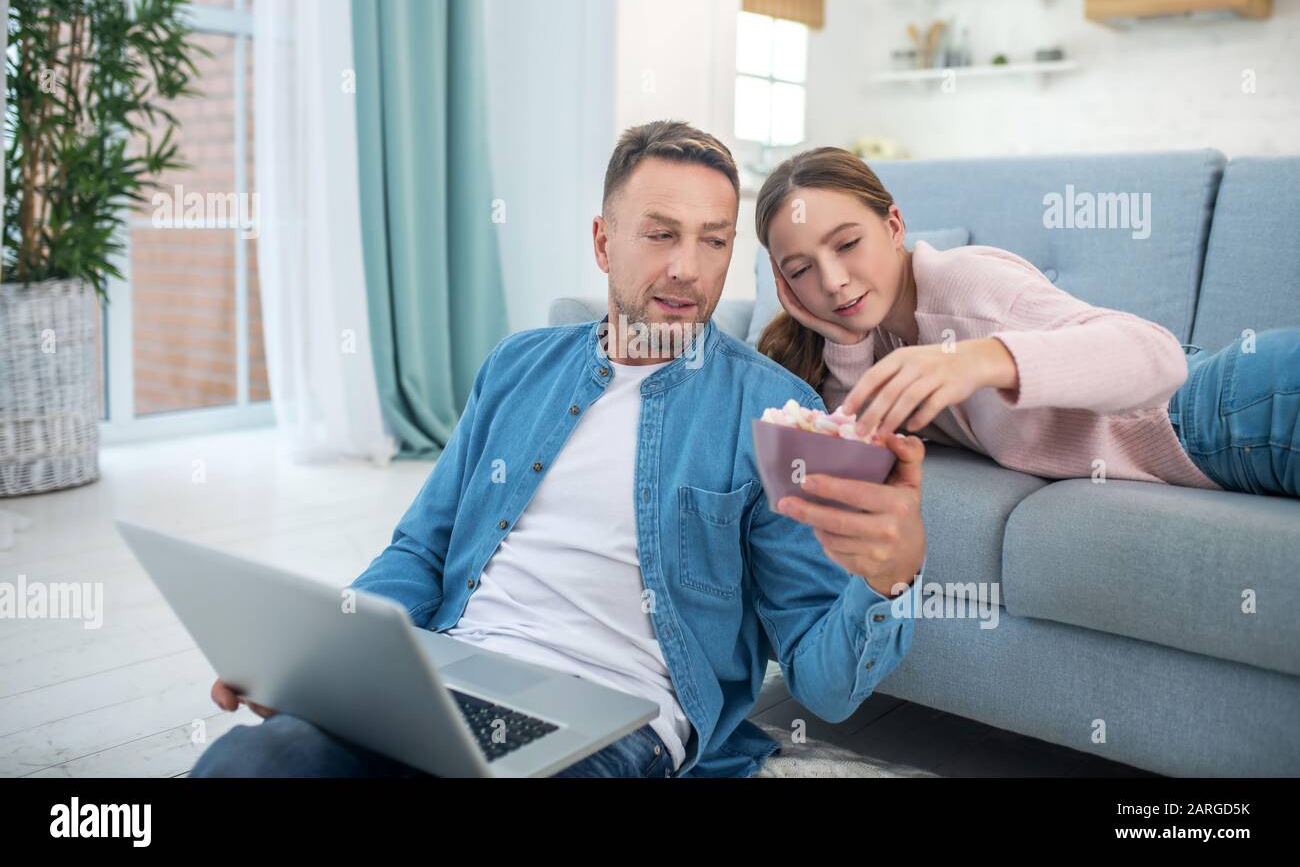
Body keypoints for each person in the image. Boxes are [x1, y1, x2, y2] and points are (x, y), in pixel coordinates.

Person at [191, 121, 927, 779]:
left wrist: (889, 584)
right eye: (660, 233)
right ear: (604, 242)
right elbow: (420, 552)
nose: (688, 268)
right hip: (447, 676)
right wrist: (320, 662)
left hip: (611, 723)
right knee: (259, 758)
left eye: (713, 240)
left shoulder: (769, 413)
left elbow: (822, 683)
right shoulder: (517, 367)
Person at [754, 146, 1299, 498]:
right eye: (801, 270)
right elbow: (856, 461)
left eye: (848, 244)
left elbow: (1159, 357)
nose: (832, 281)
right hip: (1226, 435)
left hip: (1238, 408)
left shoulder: (965, 285)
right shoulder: (869, 337)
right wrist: (846, 341)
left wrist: (985, 359)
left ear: (894, 225)